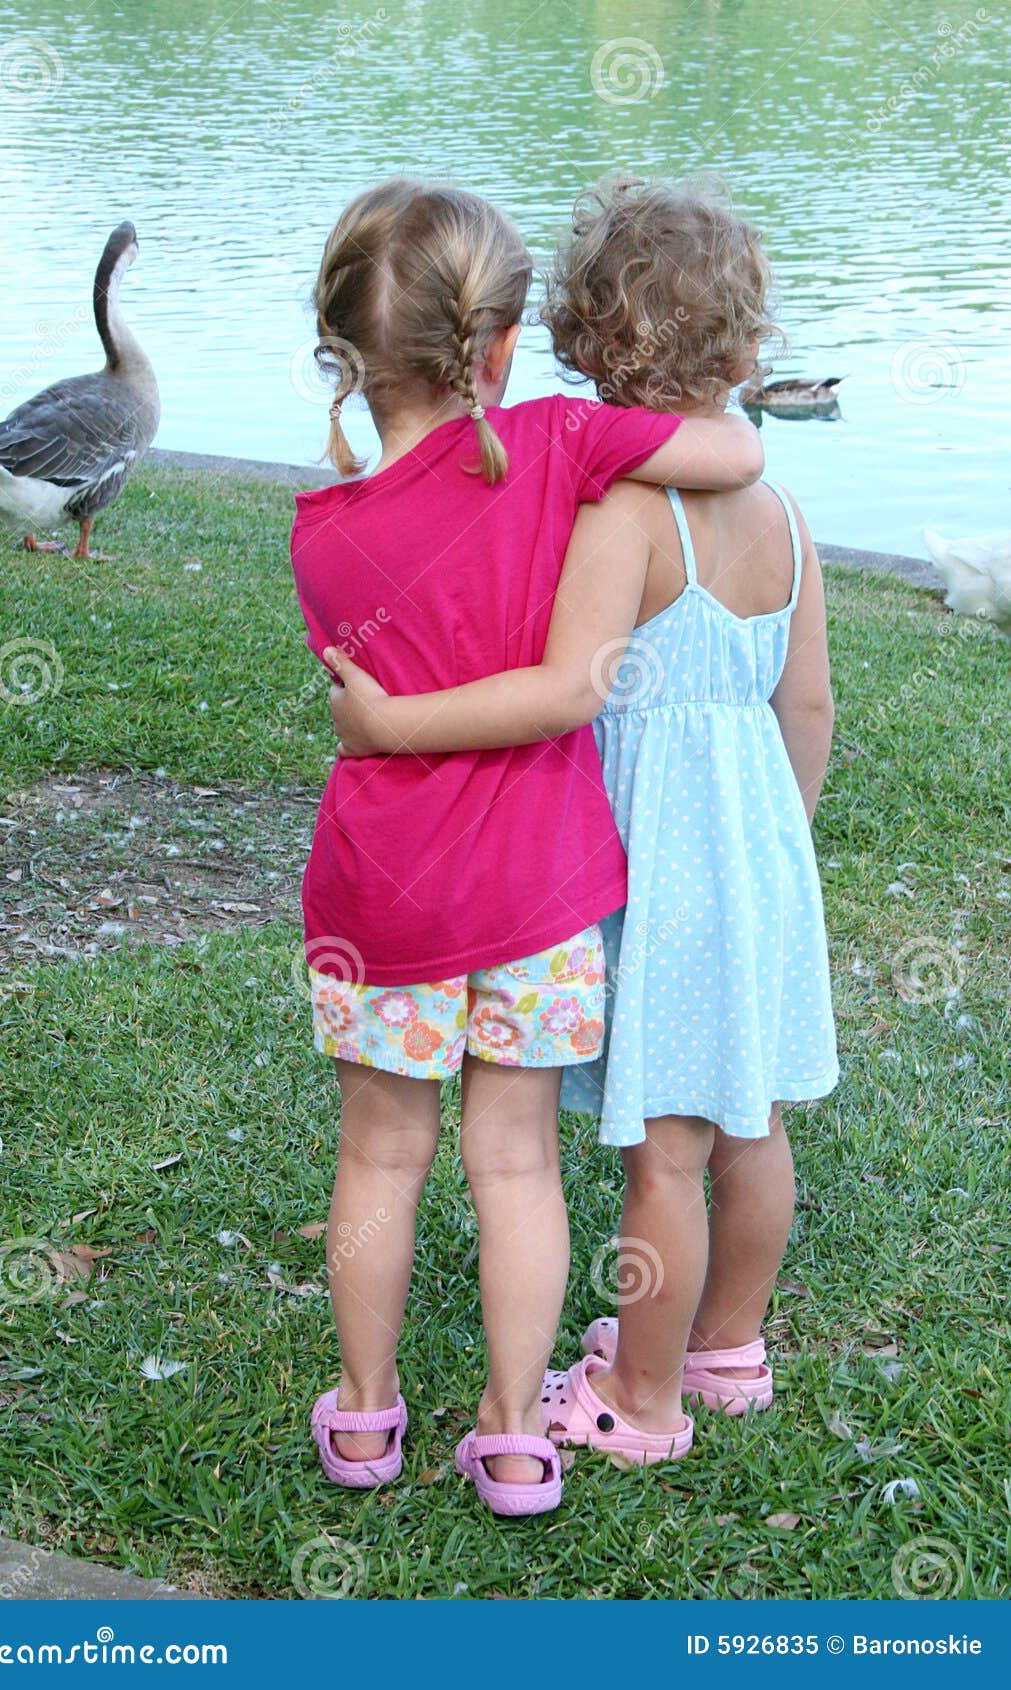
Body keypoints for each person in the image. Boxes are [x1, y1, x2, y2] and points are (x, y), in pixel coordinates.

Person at [326, 176, 837, 1467]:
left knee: (661, 1145)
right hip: (759, 858)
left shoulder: (616, 505)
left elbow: (570, 683)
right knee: (750, 1119)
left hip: (641, 866)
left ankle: (640, 1394)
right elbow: (810, 700)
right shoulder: (783, 517)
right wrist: (785, 848)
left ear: (589, 341)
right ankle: (727, 1345)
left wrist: (395, 723)